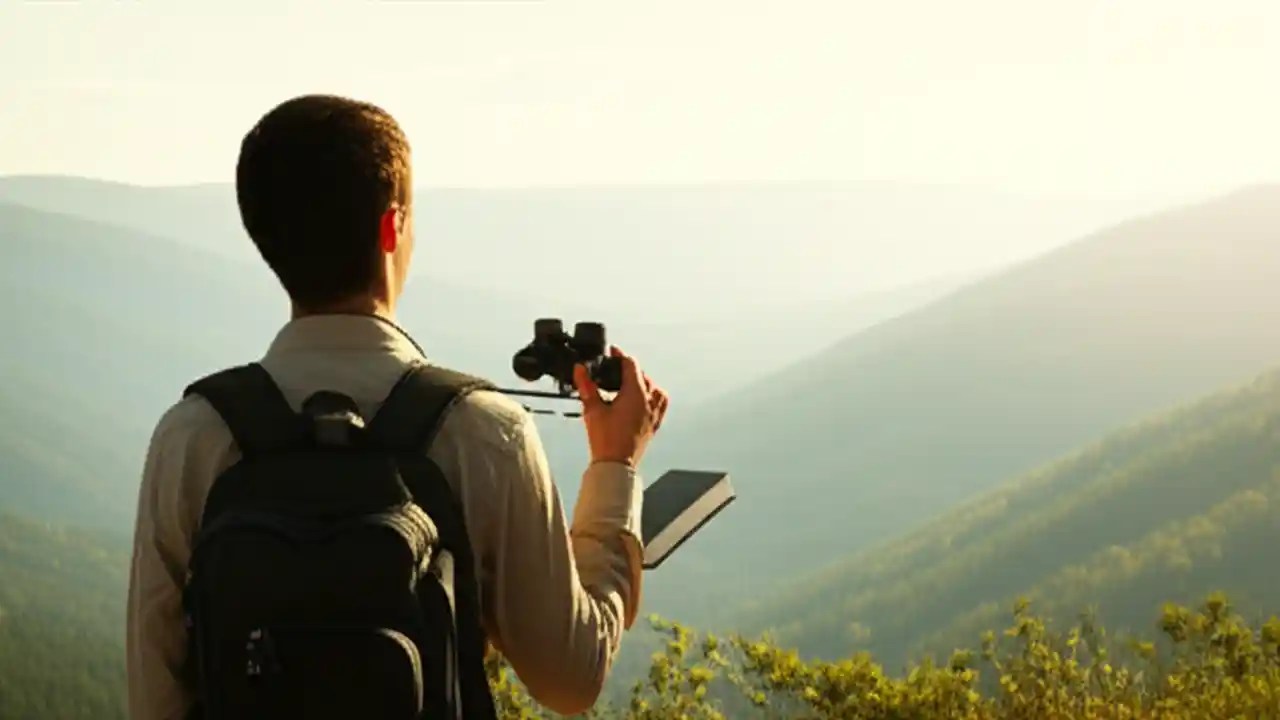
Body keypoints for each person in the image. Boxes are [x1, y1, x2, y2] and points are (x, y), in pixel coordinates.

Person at [125, 93, 669, 719]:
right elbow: (572, 678)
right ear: (392, 227)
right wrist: (616, 470)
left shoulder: (191, 438)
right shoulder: (486, 435)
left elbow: (154, 700)